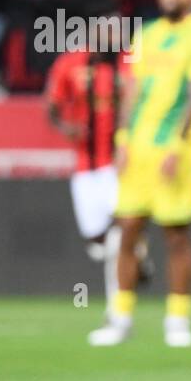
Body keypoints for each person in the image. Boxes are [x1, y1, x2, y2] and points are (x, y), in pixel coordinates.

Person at [88, 0, 191, 347]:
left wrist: (178, 146)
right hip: (139, 148)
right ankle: (120, 317)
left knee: (175, 234)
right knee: (127, 230)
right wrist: (122, 139)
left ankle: (177, 320)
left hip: (174, 150)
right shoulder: (147, 35)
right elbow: (132, 89)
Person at [44, 42, 149, 319]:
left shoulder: (132, 61)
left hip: (121, 165)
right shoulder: (71, 63)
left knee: (118, 238)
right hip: (85, 168)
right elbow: (52, 104)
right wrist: (65, 126)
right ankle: (137, 257)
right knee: (98, 245)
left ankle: (118, 308)